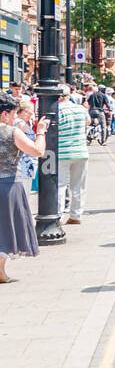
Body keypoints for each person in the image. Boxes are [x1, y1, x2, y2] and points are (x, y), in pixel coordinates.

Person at [0, 93, 49, 282]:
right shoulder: (10, 131)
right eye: (13, 114)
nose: (14, 118)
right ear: (4, 114)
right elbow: (37, 150)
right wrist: (41, 132)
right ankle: (1, 271)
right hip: (8, 184)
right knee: (6, 227)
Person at [56, 86, 90, 224]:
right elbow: (88, 121)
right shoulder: (81, 109)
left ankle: (57, 215)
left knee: (60, 185)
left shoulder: (57, 110)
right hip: (81, 151)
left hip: (62, 152)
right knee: (78, 185)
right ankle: (76, 215)